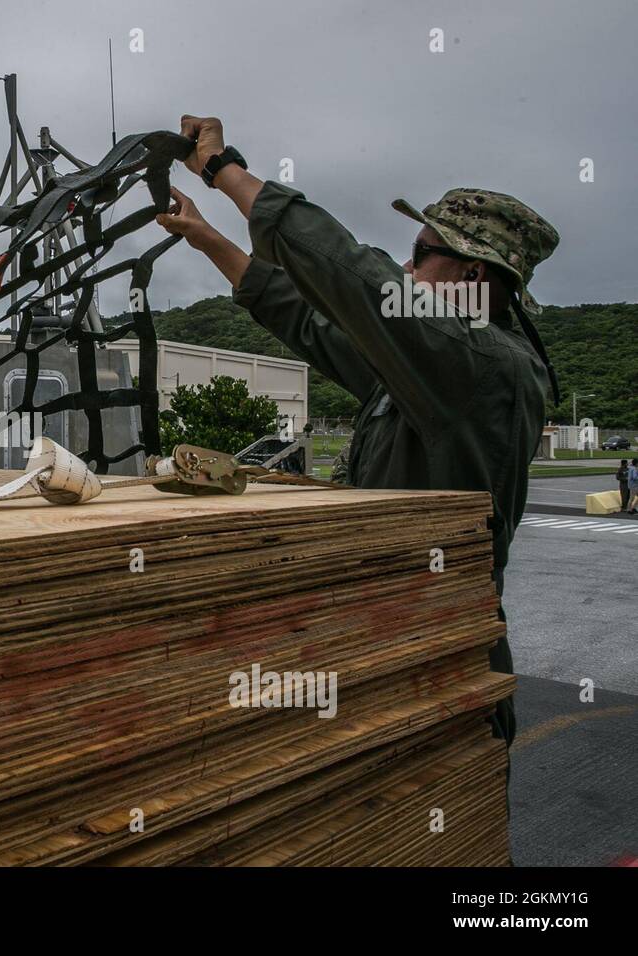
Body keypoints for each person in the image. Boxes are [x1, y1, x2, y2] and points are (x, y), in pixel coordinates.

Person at [156, 115, 561, 749]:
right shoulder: (432, 372)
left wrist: (221, 170)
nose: (406, 263)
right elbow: (315, 323)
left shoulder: (484, 368)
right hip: (391, 639)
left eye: (422, 254)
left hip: (439, 653)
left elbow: (352, 273)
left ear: (472, 276)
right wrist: (208, 240)